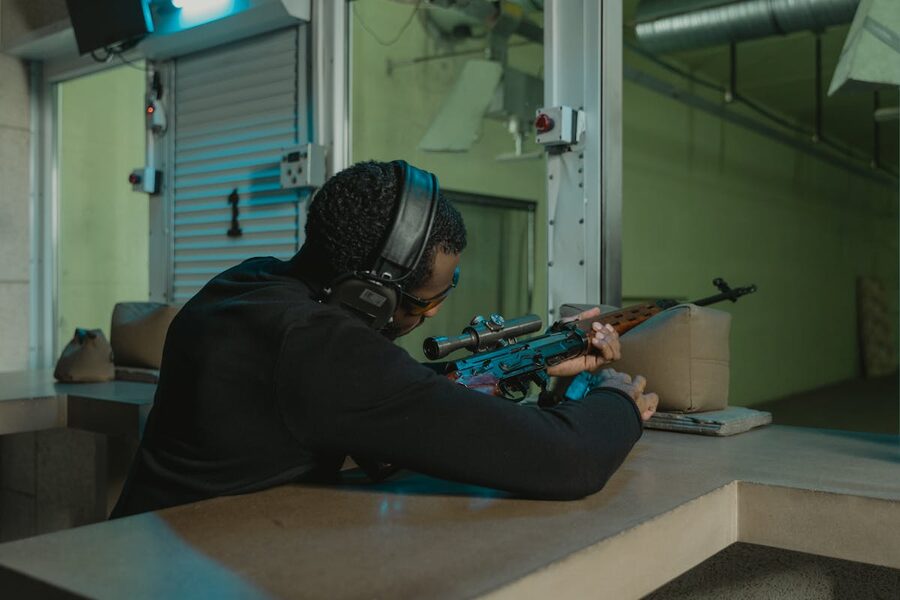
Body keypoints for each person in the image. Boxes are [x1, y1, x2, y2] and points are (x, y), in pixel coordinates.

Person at [111, 160, 658, 518]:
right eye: (426, 302)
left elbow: (379, 411)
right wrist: (615, 398)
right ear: (367, 295)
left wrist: (525, 374)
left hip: (145, 544)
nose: (435, 312)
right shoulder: (316, 345)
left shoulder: (245, 283)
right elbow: (568, 460)